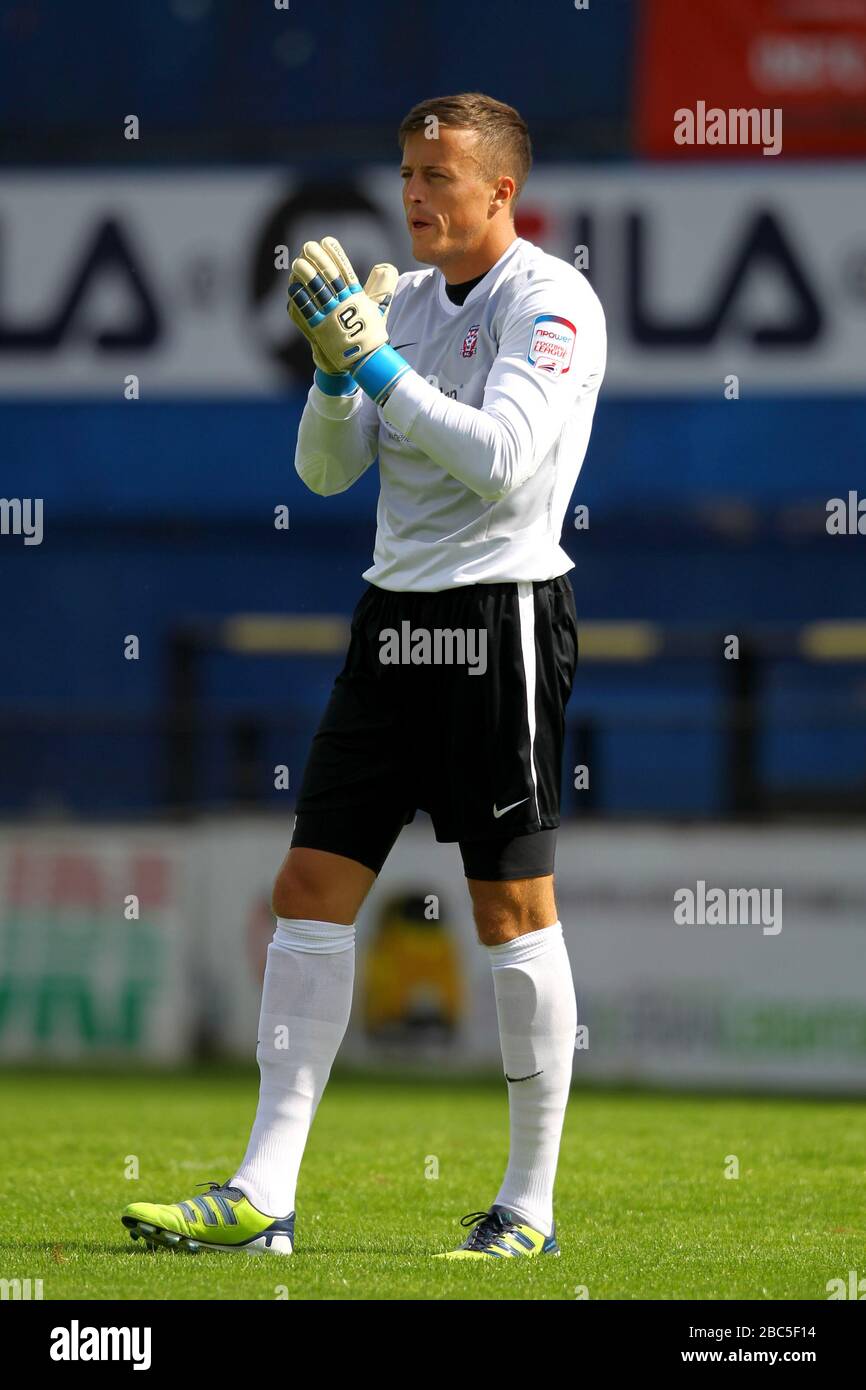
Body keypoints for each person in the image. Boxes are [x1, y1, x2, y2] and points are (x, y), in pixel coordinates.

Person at [121, 90, 606, 1260]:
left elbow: (498, 462)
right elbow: (327, 473)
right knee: (308, 888)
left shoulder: (552, 302)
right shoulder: (395, 300)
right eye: (404, 173)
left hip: (501, 623)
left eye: (437, 176)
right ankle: (262, 1195)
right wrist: (336, 373)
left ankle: (526, 1208)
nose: (411, 196)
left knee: (508, 909)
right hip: (390, 624)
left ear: (501, 191)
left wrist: (374, 358)